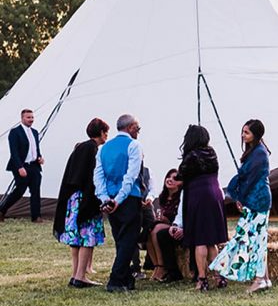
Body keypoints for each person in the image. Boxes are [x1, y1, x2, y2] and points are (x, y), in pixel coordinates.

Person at [211, 120, 272, 293]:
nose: (243, 135)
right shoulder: (254, 151)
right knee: (259, 239)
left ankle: (260, 278)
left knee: (253, 239)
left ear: (256, 135)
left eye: (247, 133)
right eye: (243, 132)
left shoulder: (259, 153)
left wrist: (241, 197)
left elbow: (251, 179)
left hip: (257, 199)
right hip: (254, 197)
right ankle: (265, 278)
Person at [93, 114, 145, 292]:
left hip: (109, 197)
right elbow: (131, 176)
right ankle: (115, 279)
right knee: (128, 240)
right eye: (137, 128)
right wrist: (119, 199)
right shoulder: (134, 145)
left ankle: (126, 279)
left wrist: (105, 198)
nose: (138, 132)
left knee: (120, 239)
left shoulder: (103, 148)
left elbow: (98, 176)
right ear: (130, 128)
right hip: (128, 197)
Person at [55, 118, 110, 287]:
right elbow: (92, 177)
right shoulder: (93, 150)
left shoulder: (80, 148)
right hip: (85, 198)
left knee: (76, 238)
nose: (107, 135)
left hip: (73, 199)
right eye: (106, 132)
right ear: (101, 132)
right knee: (87, 236)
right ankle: (80, 276)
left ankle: (75, 273)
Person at [178, 125, 229, 290]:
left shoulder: (191, 156)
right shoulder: (212, 153)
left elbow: (181, 175)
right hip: (214, 193)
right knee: (211, 240)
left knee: (200, 239)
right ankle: (219, 277)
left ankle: (202, 279)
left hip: (198, 195)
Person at [1, 108, 45, 223]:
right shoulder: (15, 132)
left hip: (34, 166)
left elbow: (35, 148)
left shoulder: (35, 132)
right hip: (21, 166)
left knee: (36, 191)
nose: (31, 119)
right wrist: (20, 167)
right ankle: (2, 210)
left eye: (32, 117)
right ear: (22, 118)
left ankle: (36, 216)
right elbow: (14, 152)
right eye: (28, 117)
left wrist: (39, 157)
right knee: (20, 190)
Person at [147, 168, 184, 282]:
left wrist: (166, 221)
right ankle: (157, 266)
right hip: (163, 225)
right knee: (149, 230)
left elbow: (179, 217)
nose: (170, 180)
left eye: (175, 178)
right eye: (169, 176)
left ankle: (162, 267)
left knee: (156, 228)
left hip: (175, 226)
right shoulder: (162, 197)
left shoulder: (181, 197)